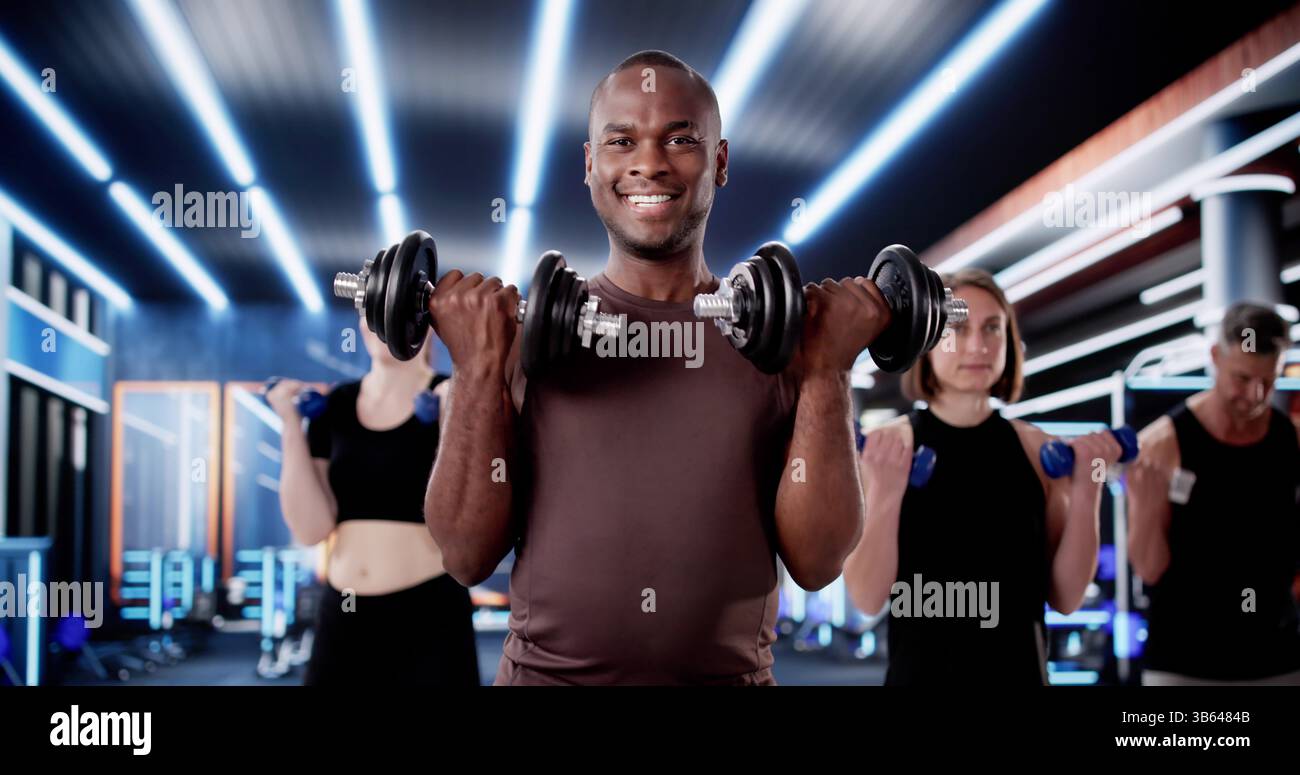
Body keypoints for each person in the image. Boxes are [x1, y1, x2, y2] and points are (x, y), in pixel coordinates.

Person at [425, 50, 890, 685]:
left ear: (719, 162)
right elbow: (463, 555)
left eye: (681, 139)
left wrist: (829, 372)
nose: (649, 162)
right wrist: (477, 368)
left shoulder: (782, 346)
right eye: (621, 141)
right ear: (590, 166)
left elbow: (819, 562)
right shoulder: (516, 340)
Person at [843, 269, 1121, 685]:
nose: (978, 344)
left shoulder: (1038, 450)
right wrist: (884, 492)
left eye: (993, 328)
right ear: (930, 337)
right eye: (959, 327)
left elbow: (1066, 598)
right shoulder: (888, 448)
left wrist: (1087, 493)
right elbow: (867, 597)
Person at [269, 317, 479, 685]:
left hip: (428, 615)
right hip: (344, 612)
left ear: (423, 325)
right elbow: (311, 528)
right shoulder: (334, 406)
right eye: (370, 315)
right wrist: (290, 425)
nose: (380, 325)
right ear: (362, 327)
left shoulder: (452, 398)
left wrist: (454, 418)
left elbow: (472, 523)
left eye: (390, 311)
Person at [1128, 302, 1300, 685]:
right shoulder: (1161, 445)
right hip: (1184, 660)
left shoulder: (1290, 438)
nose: (1254, 395)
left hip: (1276, 654)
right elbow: (1147, 568)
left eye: (1266, 382)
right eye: (1241, 378)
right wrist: (1149, 502)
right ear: (1214, 358)